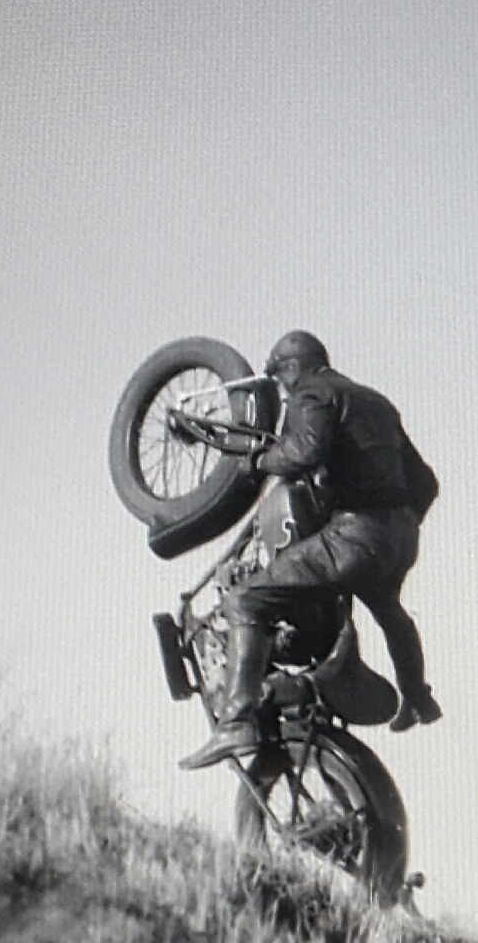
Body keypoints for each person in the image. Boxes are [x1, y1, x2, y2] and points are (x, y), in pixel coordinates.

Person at [180, 330, 441, 771]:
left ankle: (236, 722)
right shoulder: (375, 402)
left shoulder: (312, 392)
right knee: (387, 608)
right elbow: (426, 482)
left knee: (245, 600)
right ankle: (417, 697)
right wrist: (396, 523)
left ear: (292, 367)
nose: (283, 392)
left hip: (355, 534)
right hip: (400, 537)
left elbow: (303, 451)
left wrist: (258, 461)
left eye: (280, 379)